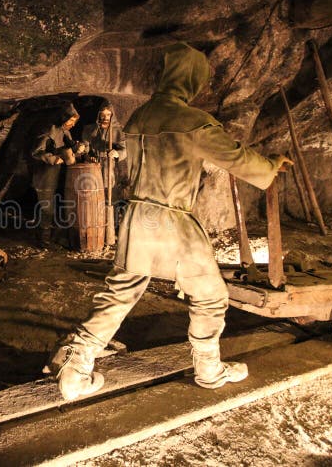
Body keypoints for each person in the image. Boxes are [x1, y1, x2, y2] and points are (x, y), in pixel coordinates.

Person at [45, 43, 293, 400]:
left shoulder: (140, 117)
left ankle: (75, 367)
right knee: (209, 297)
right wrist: (271, 165)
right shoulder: (193, 121)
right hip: (174, 222)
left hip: (137, 218)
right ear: (191, 79)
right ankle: (209, 371)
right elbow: (239, 159)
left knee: (120, 292)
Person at [30, 104, 81, 246]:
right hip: (45, 176)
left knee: (57, 206)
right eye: (70, 121)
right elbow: (35, 151)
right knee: (47, 208)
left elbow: (69, 147)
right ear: (63, 118)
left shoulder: (65, 132)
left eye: (74, 122)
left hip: (59, 175)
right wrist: (53, 158)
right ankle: (43, 239)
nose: (72, 124)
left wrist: (77, 148)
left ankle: (53, 236)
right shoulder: (48, 131)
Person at [81, 103, 127, 197]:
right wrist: (88, 155)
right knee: (93, 192)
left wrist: (117, 153)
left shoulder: (119, 130)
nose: (105, 118)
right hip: (94, 164)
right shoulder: (91, 129)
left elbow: (125, 150)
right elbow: (85, 149)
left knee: (109, 191)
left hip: (110, 164)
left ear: (112, 115)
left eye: (108, 115)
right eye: (103, 114)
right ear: (99, 115)